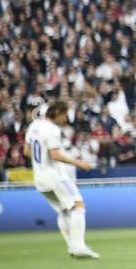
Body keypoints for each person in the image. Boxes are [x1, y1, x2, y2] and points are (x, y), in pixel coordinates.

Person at [25, 101, 100, 259]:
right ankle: (79, 246)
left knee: (63, 211)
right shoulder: (52, 129)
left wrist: (41, 164)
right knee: (78, 206)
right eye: (64, 114)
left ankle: (72, 246)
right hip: (56, 177)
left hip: (39, 178)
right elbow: (56, 155)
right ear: (56, 113)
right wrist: (79, 163)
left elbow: (26, 151)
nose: (66, 118)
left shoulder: (34, 126)